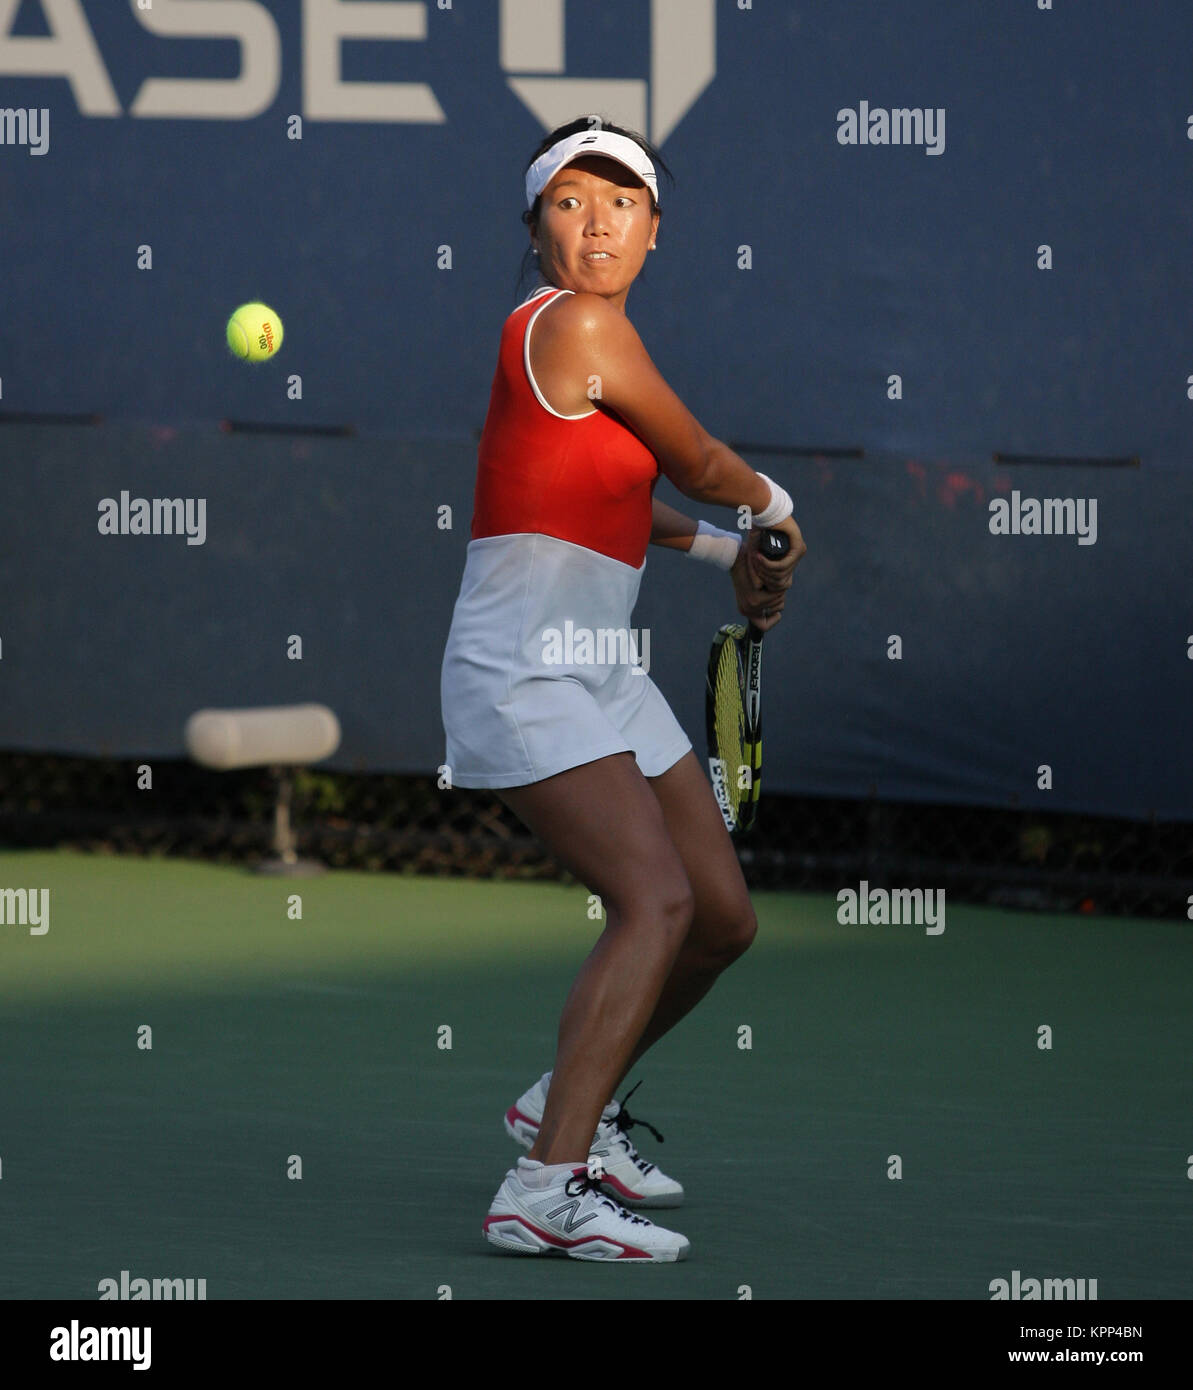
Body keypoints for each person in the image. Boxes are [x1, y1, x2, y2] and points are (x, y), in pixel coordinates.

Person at [440, 115, 806, 1262]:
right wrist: (773, 512)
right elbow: (696, 461)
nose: (595, 223)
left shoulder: (587, 357)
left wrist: (724, 554)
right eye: (569, 201)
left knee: (720, 918)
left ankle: (569, 1103)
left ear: (654, 230)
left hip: (603, 673)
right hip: (522, 670)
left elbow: (628, 496)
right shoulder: (572, 323)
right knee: (652, 902)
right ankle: (540, 1189)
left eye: (621, 202)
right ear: (534, 228)